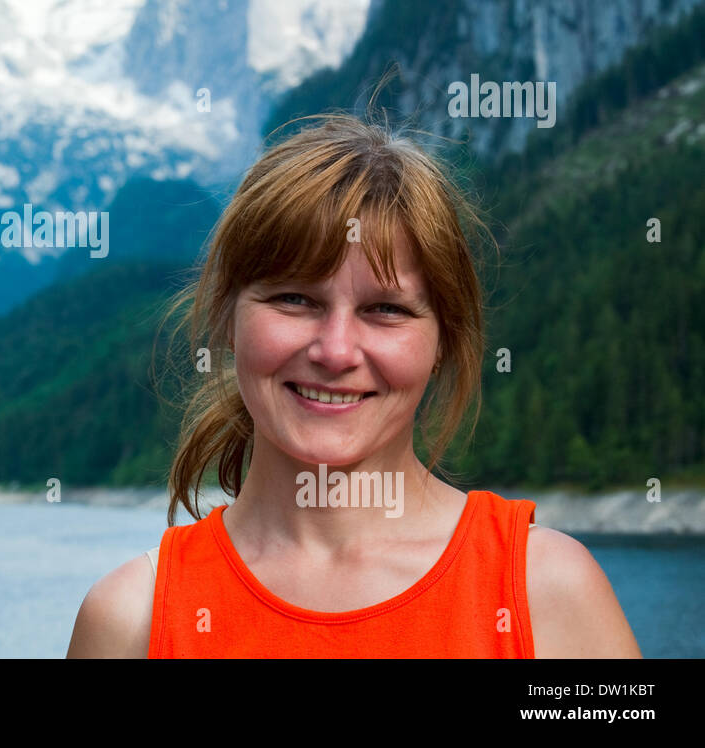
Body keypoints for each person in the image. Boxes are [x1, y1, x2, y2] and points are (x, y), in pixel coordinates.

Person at [66, 113, 641, 658]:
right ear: (226, 318)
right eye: (295, 299)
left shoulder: (545, 593)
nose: (336, 351)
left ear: (443, 341)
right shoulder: (131, 620)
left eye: (386, 309)